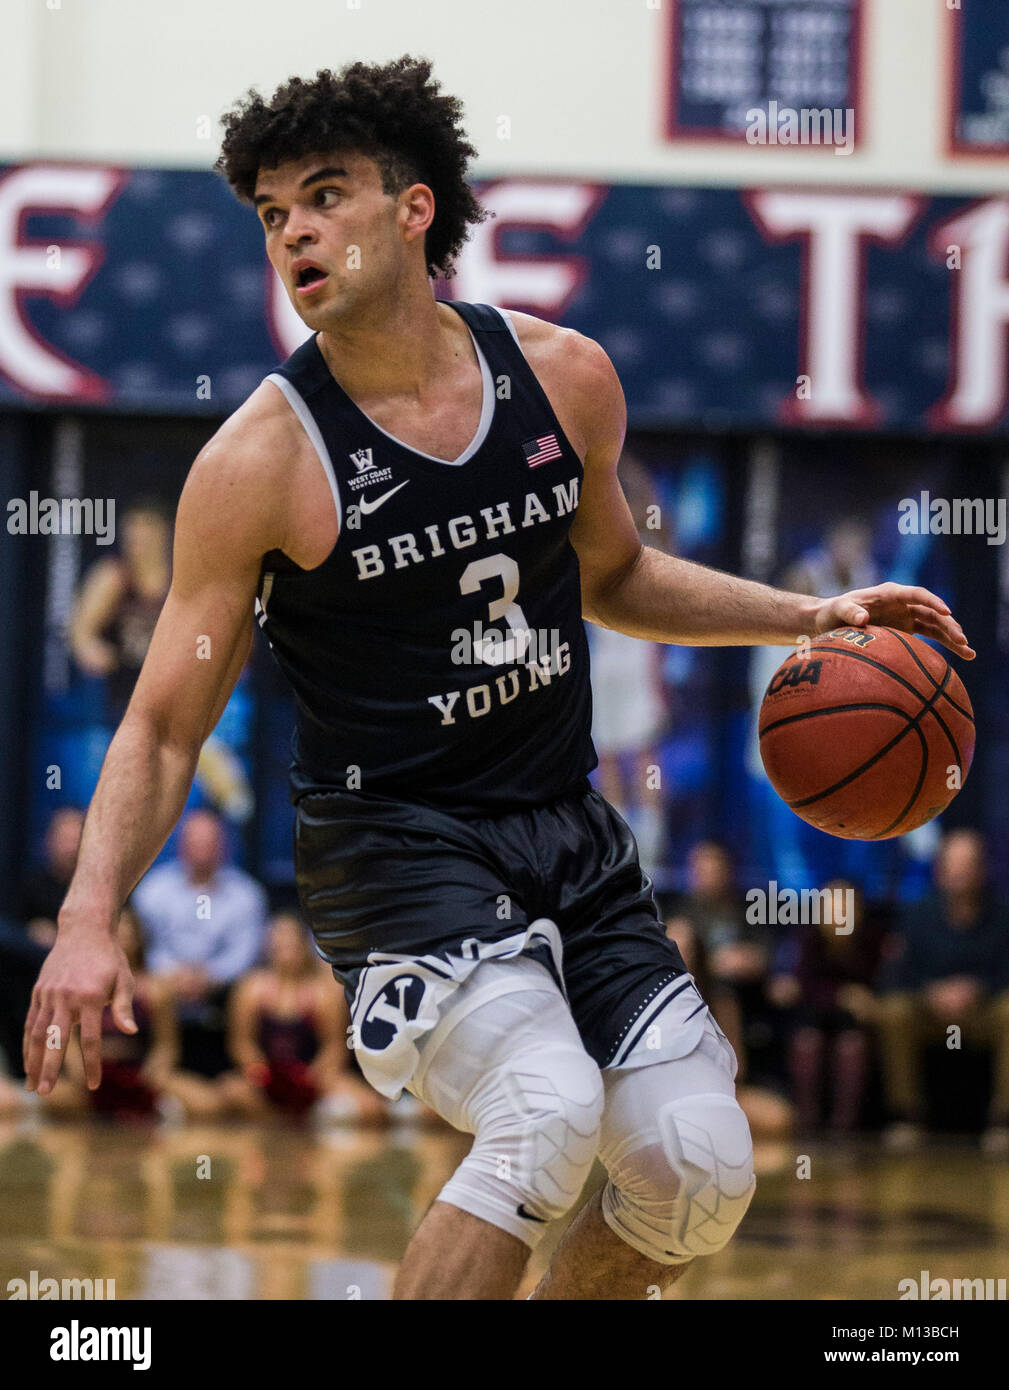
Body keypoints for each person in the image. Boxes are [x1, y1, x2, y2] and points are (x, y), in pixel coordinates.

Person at [23, 56, 974, 1302]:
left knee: (696, 1169)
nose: (295, 232)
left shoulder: (561, 378)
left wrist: (810, 616)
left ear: (415, 209)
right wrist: (92, 918)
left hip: (564, 831)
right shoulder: (259, 461)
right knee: (544, 1106)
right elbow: (157, 725)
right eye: (271, 215)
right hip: (391, 845)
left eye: (325, 196)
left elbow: (619, 576)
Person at [876, 830, 1009, 1154]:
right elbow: (894, 974)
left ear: (983, 869)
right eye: (953, 865)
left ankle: (1002, 1120)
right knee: (894, 1010)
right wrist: (932, 991)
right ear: (940, 869)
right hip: (930, 1010)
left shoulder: (1003, 915)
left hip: (982, 1011)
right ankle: (906, 1116)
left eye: (968, 865)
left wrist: (977, 988)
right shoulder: (917, 913)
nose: (960, 873)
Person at [131, 809, 268, 1078]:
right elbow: (142, 944)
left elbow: (246, 952)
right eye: (195, 843)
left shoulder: (247, 894)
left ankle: (244, 1075)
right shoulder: (153, 889)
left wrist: (211, 977)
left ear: (224, 847)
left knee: (253, 989)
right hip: (163, 983)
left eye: (210, 843)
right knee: (143, 984)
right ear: (180, 846)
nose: (202, 850)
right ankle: (146, 1075)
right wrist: (173, 974)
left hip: (223, 990)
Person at [226, 912, 386, 1123]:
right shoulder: (250, 988)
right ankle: (279, 1124)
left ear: (304, 946)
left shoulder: (326, 991)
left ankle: (310, 1118)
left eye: (290, 945)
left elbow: (336, 1047)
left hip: (316, 1078)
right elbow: (241, 1043)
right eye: (278, 945)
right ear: (267, 948)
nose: (285, 953)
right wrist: (261, 1073)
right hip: (263, 1080)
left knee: (372, 1109)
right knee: (228, 1094)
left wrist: (309, 1080)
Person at [767, 881, 885, 1136]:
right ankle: (807, 1122)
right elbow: (802, 986)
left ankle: (845, 1125)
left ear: (859, 911)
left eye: (846, 907)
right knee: (807, 1043)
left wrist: (866, 1002)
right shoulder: (807, 937)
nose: (838, 915)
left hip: (856, 1022)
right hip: (812, 1016)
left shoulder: (872, 939)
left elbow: (881, 986)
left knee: (852, 1046)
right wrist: (842, 996)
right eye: (831, 907)